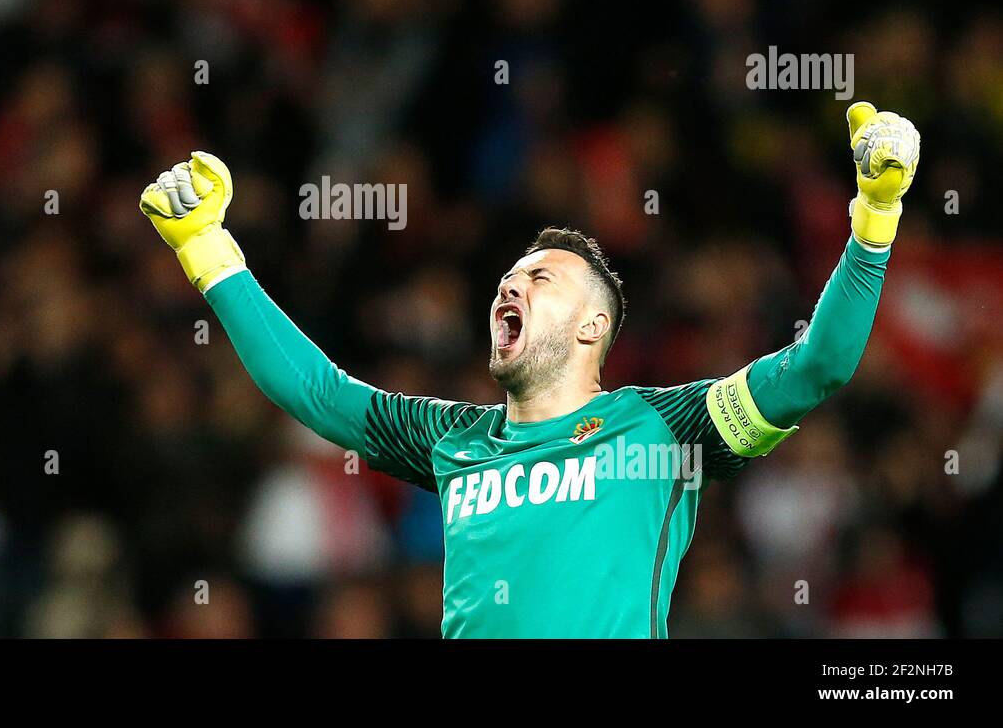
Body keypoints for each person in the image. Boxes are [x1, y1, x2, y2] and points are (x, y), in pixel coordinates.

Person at [139, 102, 921, 637]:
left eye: (540, 277)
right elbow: (314, 392)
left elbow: (819, 366)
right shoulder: (450, 440)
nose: (511, 285)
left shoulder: (662, 431)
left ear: (593, 326)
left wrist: (874, 220)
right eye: (508, 277)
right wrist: (206, 246)